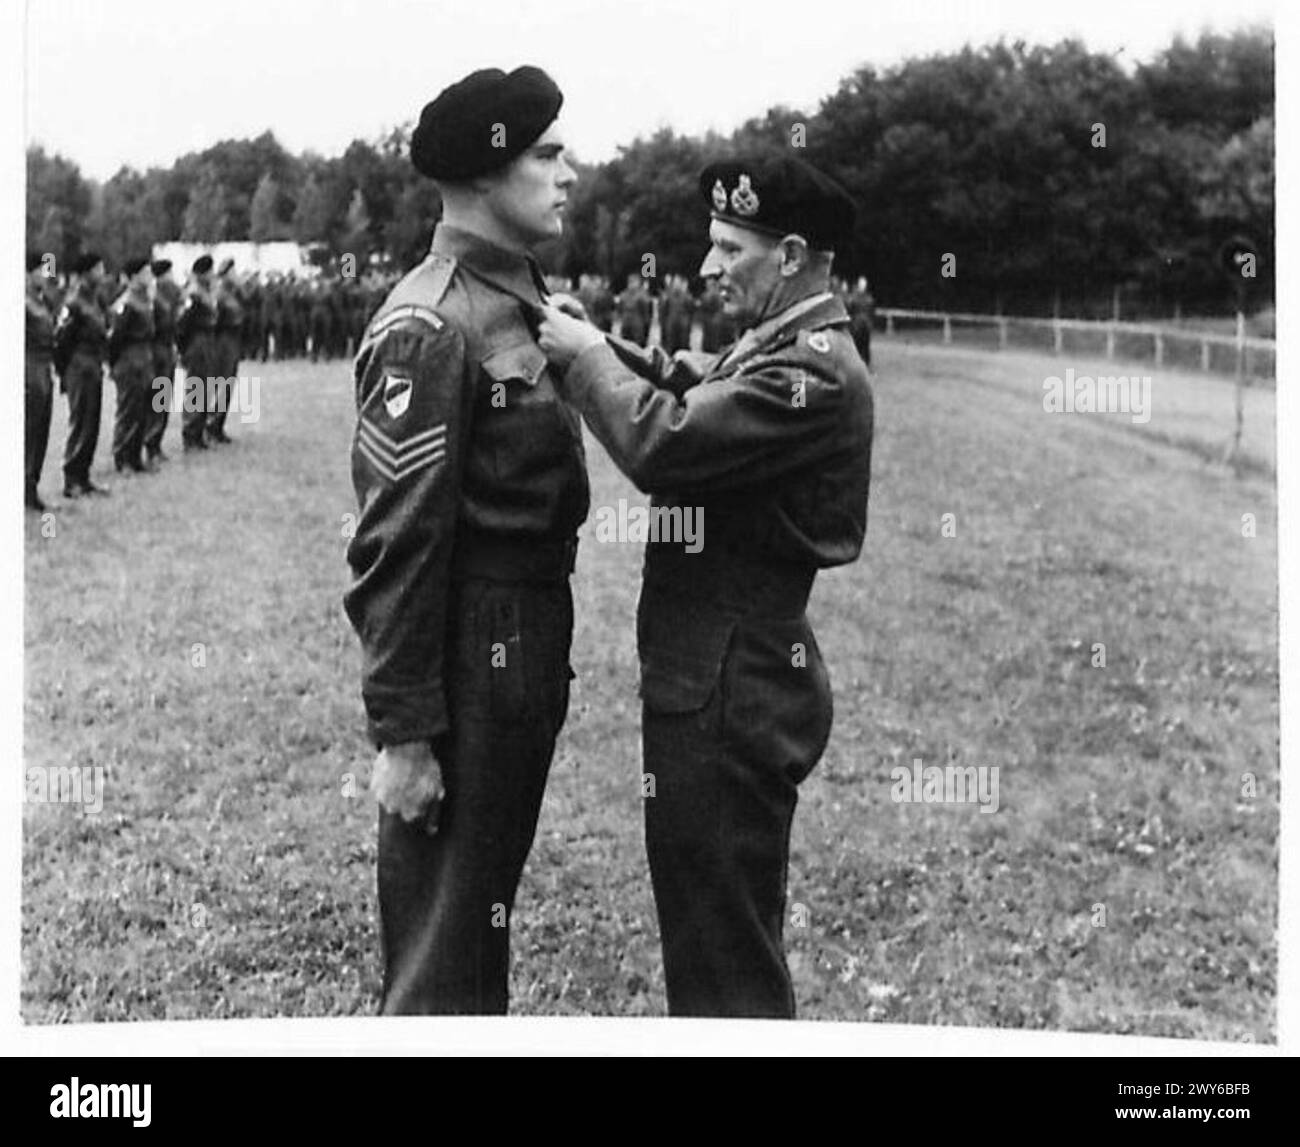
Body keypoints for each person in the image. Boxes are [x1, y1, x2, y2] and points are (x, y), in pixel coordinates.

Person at [538, 154, 874, 1018]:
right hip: (723, 673)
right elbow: (700, 384)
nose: (707, 267)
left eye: (729, 248)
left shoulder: (816, 371)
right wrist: (605, 343)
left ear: (791, 253)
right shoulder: (789, 343)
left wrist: (581, 365)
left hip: (732, 684)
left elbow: (670, 443)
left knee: (721, 956)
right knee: (714, 927)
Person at [343, 64, 588, 1015]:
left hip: (524, 640)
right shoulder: (431, 319)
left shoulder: (519, 296)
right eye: (546, 153)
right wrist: (405, 735)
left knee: (479, 916)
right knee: (444, 950)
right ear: (488, 172)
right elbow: (396, 545)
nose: (568, 172)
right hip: (470, 657)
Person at [54, 251, 111, 497]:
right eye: (98, 269)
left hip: (94, 364)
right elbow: (61, 340)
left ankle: (84, 476)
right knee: (80, 423)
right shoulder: (74, 302)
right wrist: (65, 372)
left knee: (92, 423)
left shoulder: (96, 299)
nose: (103, 273)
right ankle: (71, 479)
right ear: (87, 273)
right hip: (78, 364)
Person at [107, 256, 157, 474]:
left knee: (143, 411)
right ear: (135, 276)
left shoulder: (145, 299)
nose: (149, 276)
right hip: (129, 359)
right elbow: (115, 338)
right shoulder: (126, 303)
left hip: (145, 358)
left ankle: (136, 457)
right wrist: (116, 364)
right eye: (145, 272)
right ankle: (122, 458)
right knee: (128, 411)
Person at [176, 254, 218, 451]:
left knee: (206, 387)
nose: (213, 275)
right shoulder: (193, 293)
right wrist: (184, 347)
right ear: (202, 273)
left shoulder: (205, 290)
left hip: (207, 340)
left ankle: (198, 433)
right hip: (197, 342)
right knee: (195, 388)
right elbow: (182, 323)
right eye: (210, 272)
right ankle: (190, 434)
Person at [26, 251, 56, 510]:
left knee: (40, 431)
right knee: (27, 431)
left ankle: (31, 489)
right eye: (41, 270)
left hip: (44, 368)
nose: (46, 275)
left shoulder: (41, 301)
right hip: (28, 368)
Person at [146, 259, 180, 464]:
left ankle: (156, 443)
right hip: (157, 350)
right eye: (170, 274)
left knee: (164, 400)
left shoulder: (166, 297)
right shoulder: (155, 298)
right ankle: (151, 444)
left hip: (166, 348)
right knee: (157, 400)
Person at [209, 257, 244, 444]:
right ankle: (209, 424)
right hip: (221, 342)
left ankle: (217, 426)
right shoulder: (219, 295)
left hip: (232, 341)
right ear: (225, 275)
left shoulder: (232, 293)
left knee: (227, 385)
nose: (236, 275)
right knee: (217, 384)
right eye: (232, 272)